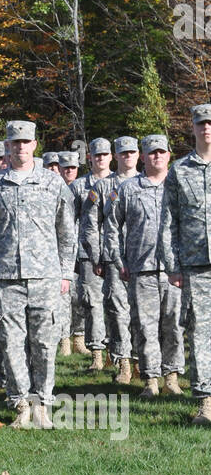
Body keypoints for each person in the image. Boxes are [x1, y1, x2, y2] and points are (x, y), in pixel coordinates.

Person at [0, 120, 76, 428]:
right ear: (7, 145)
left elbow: (67, 232)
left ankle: (43, 403)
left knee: (45, 342)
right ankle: (21, 404)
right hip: (5, 276)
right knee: (10, 341)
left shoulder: (52, 182)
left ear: (34, 145)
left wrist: (66, 273)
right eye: (14, 142)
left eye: (25, 141)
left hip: (45, 275)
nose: (20, 146)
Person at [106, 134, 183, 399]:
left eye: (162, 151)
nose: (157, 156)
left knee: (173, 325)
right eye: (152, 152)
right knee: (145, 327)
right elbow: (112, 227)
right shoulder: (128, 189)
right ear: (143, 155)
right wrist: (119, 261)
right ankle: (150, 379)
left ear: (169, 155)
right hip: (141, 269)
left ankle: (171, 378)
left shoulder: (179, 184)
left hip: (175, 271)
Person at [157, 104, 211, 425]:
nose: (207, 128)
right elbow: (169, 222)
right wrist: (173, 264)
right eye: (201, 123)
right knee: (201, 331)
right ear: (192, 127)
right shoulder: (180, 170)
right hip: (196, 265)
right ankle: (206, 402)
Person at [81, 135, 139, 384]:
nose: (127, 156)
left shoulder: (147, 183)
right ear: (116, 156)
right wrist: (96, 257)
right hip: (114, 259)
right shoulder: (103, 187)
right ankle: (123, 362)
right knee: (117, 312)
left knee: (146, 314)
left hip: (145, 259)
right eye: (122, 152)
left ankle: (144, 363)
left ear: (139, 154)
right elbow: (90, 226)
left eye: (131, 152)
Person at [75, 138, 114, 370]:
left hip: (116, 253)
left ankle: (118, 353)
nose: (100, 158)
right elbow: (69, 222)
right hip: (88, 254)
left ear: (111, 156)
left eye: (104, 154)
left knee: (118, 304)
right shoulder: (79, 186)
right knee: (92, 303)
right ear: (90, 157)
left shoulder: (120, 184)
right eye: (96, 155)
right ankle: (97, 354)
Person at [58, 150, 84, 355]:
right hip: (59, 253)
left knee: (80, 298)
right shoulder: (53, 189)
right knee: (62, 299)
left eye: (73, 168)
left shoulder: (84, 188)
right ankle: (64, 339)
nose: (69, 171)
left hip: (82, 252)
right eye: (65, 167)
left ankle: (79, 338)